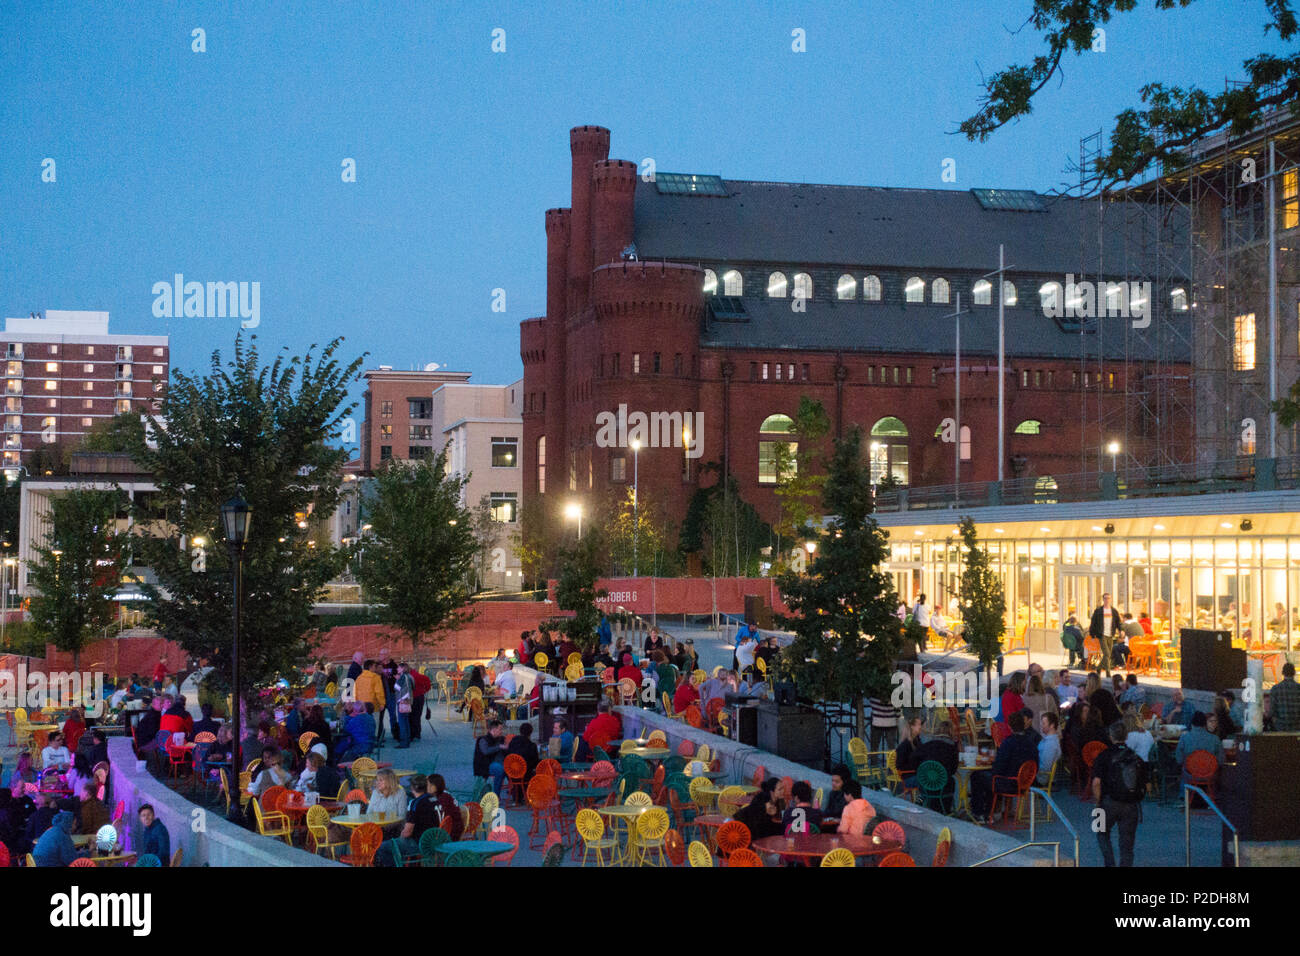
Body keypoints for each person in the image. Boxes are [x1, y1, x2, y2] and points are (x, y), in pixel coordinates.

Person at [1090, 720, 1146, 867]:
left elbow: (1096, 782)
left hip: (1107, 802)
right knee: (1127, 844)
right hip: (1131, 804)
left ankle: (1109, 863)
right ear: (1126, 736)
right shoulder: (1134, 756)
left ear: (1110, 736)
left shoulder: (1103, 756)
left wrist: (1097, 802)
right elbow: (1145, 782)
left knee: (1100, 832)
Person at [969, 711, 1038, 824]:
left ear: (1010, 727)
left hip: (1008, 784)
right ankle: (988, 812)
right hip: (1025, 783)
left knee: (977, 776)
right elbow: (1035, 764)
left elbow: (999, 768)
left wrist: (991, 766)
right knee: (988, 777)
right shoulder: (1031, 743)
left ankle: (979, 812)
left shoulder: (1008, 743)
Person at [375, 773, 439, 867]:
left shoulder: (415, 803)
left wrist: (400, 837)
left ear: (413, 788)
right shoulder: (434, 799)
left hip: (420, 844)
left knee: (383, 847)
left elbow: (407, 833)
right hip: (435, 841)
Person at [1089, 593, 1123, 678]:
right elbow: (1093, 623)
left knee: (1108, 654)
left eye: (1108, 598)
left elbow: (1118, 622)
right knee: (1107, 654)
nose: (1107, 600)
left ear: (1110, 600)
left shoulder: (1113, 611)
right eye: (1105, 598)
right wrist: (1092, 634)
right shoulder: (1098, 611)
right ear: (1103, 599)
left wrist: (1121, 630)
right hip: (1102, 634)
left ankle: (1099, 668)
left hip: (1110, 634)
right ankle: (1108, 672)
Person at [473, 720, 508, 796]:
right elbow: (485, 751)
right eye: (500, 729)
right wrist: (499, 747)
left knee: (510, 768)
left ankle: (515, 793)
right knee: (500, 769)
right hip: (485, 765)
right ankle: (496, 795)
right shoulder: (483, 739)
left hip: (497, 763)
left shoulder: (501, 739)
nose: (501, 731)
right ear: (494, 730)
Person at [1271, 662, 1300, 732]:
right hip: (1297, 726)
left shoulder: (1275, 688)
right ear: (1294, 673)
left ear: (1282, 673)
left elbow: (1272, 710)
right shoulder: (1298, 688)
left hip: (1280, 726)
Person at [1037, 712, 1062, 785]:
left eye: (1044, 723)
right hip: (1041, 776)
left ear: (1052, 725)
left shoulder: (1050, 744)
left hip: (1041, 779)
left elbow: (1045, 767)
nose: (1042, 726)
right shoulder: (1051, 740)